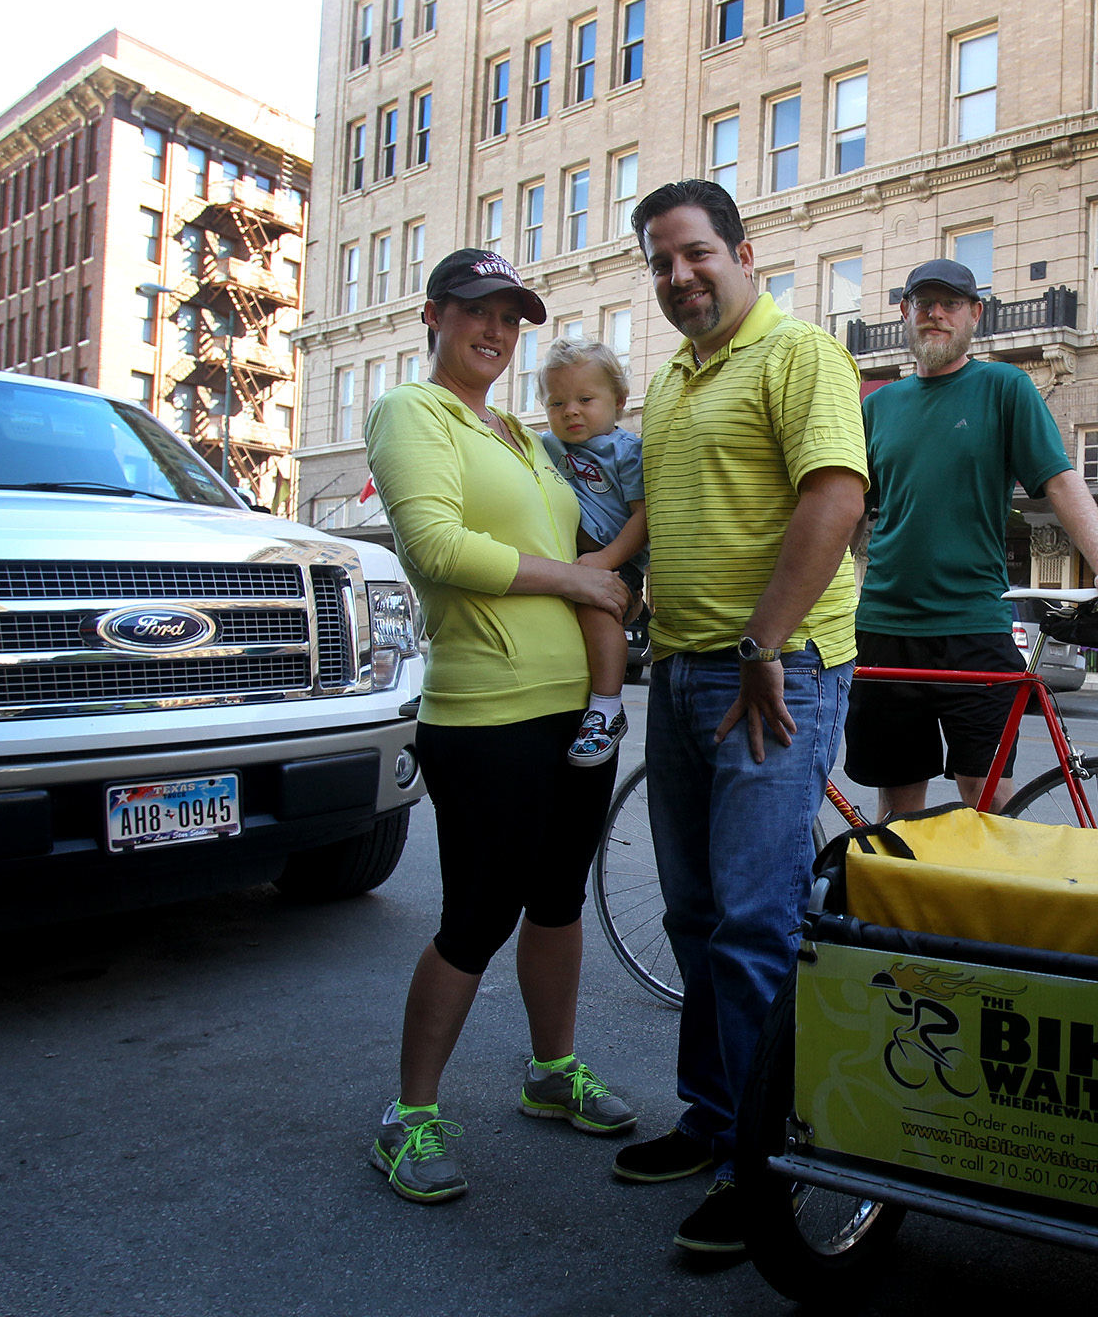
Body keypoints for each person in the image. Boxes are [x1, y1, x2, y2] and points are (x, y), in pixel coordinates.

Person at [608, 180, 867, 1255]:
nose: (678, 277)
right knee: (694, 919)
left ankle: (763, 1168)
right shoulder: (670, 379)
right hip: (680, 676)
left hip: (775, 671)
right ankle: (714, 1120)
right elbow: (659, 517)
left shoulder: (798, 354)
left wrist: (762, 643)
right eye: (660, 263)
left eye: (695, 254)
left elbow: (834, 497)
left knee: (756, 923)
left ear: (744, 253)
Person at [362, 248, 638, 1206]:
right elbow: (434, 545)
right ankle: (410, 1115)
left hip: (575, 710)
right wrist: (575, 579)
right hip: (486, 713)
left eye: (511, 318)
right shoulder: (413, 412)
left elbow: (584, 539)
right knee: (477, 914)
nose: (496, 332)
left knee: (557, 899)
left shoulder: (524, 436)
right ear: (434, 317)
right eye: (478, 312)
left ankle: (551, 1071)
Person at [845, 257, 1098, 819]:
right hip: (885, 628)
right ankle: (911, 906)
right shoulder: (878, 405)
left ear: (974, 315)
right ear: (905, 312)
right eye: (923, 303)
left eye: (950, 303)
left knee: (989, 801)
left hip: (973, 626)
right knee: (898, 807)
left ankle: (1000, 905)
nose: (935, 314)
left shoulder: (1003, 387)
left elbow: (1058, 479)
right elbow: (850, 510)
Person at [537, 336, 649, 766]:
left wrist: (606, 560)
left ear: (618, 401)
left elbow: (644, 517)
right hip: (564, 558)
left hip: (612, 557)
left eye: (585, 399)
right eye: (556, 403)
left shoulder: (626, 451)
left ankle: (607, 708)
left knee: (595, 610)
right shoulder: (546, 446)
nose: (570, 411)